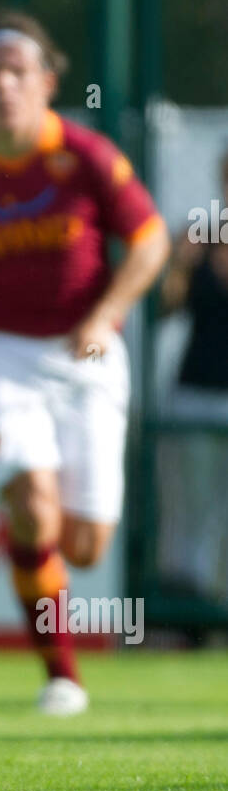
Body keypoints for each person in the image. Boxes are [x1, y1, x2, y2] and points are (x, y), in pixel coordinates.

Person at [0, 10, 169, 713]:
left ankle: (57, 627)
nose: (6, 84)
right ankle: (61, 676)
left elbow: (151, 241)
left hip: (85, 351)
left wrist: (106, 314)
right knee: (33, 510)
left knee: (89, 546)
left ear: (47, 78)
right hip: (3, 354)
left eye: (19, 71)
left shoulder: (87, 156)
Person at [158, 147, 228, 610]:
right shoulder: (198, 235)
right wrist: (178, 265)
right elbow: (166, 308)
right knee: (189, 509)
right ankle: (190, 612)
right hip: (197, 390)